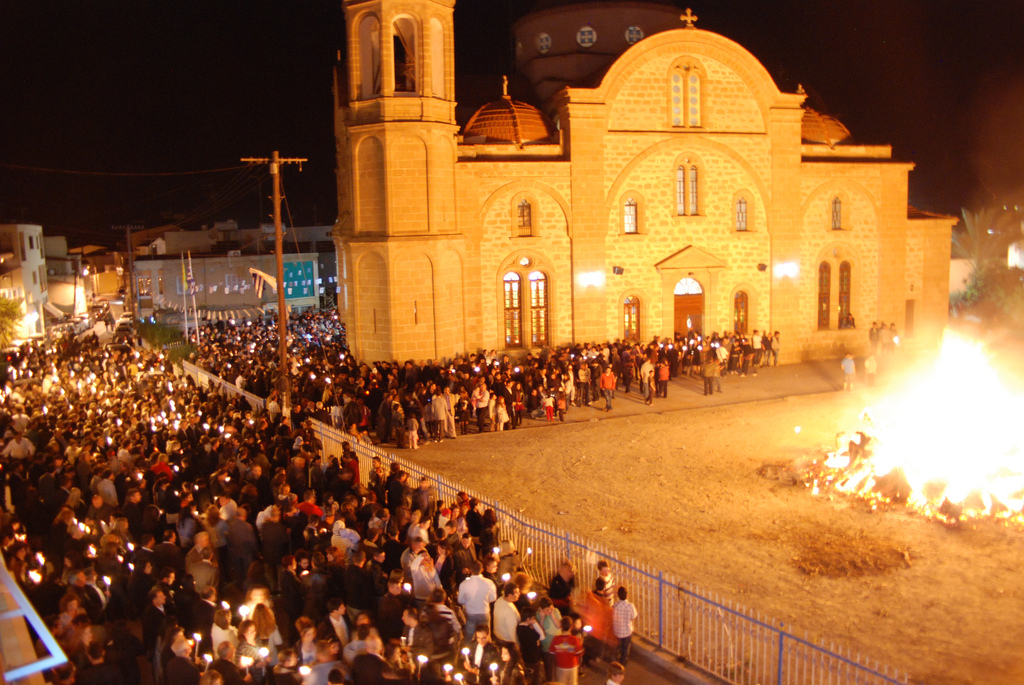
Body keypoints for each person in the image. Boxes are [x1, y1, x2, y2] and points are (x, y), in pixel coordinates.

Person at [458, 560, 497, 642]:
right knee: (485, 635)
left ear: (470, 570)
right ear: (482, 569)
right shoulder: (489, 583)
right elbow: (493, 598)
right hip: (484, 611)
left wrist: (468, 602)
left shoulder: (464, 584)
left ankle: (468, 652)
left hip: (471, 613)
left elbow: (460, 600)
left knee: (469, 636)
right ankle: (487, 652)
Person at [548, 616, 583, 685]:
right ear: (571, 627)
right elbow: (579, 653)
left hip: (560, 666)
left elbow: (551, 651)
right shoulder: (575, 639)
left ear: (561, 626)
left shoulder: (556, 639)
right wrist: (580, 644)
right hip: (572, 666)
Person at [611, 586, 637, 665]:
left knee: (617, 646)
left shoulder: (615, 606)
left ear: (618, 596)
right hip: (627, 632)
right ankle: (623, 663)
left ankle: (616, 659)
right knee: (625, 649)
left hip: (617, 631)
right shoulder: (630, 606)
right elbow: (633, 617)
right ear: (627, 595)